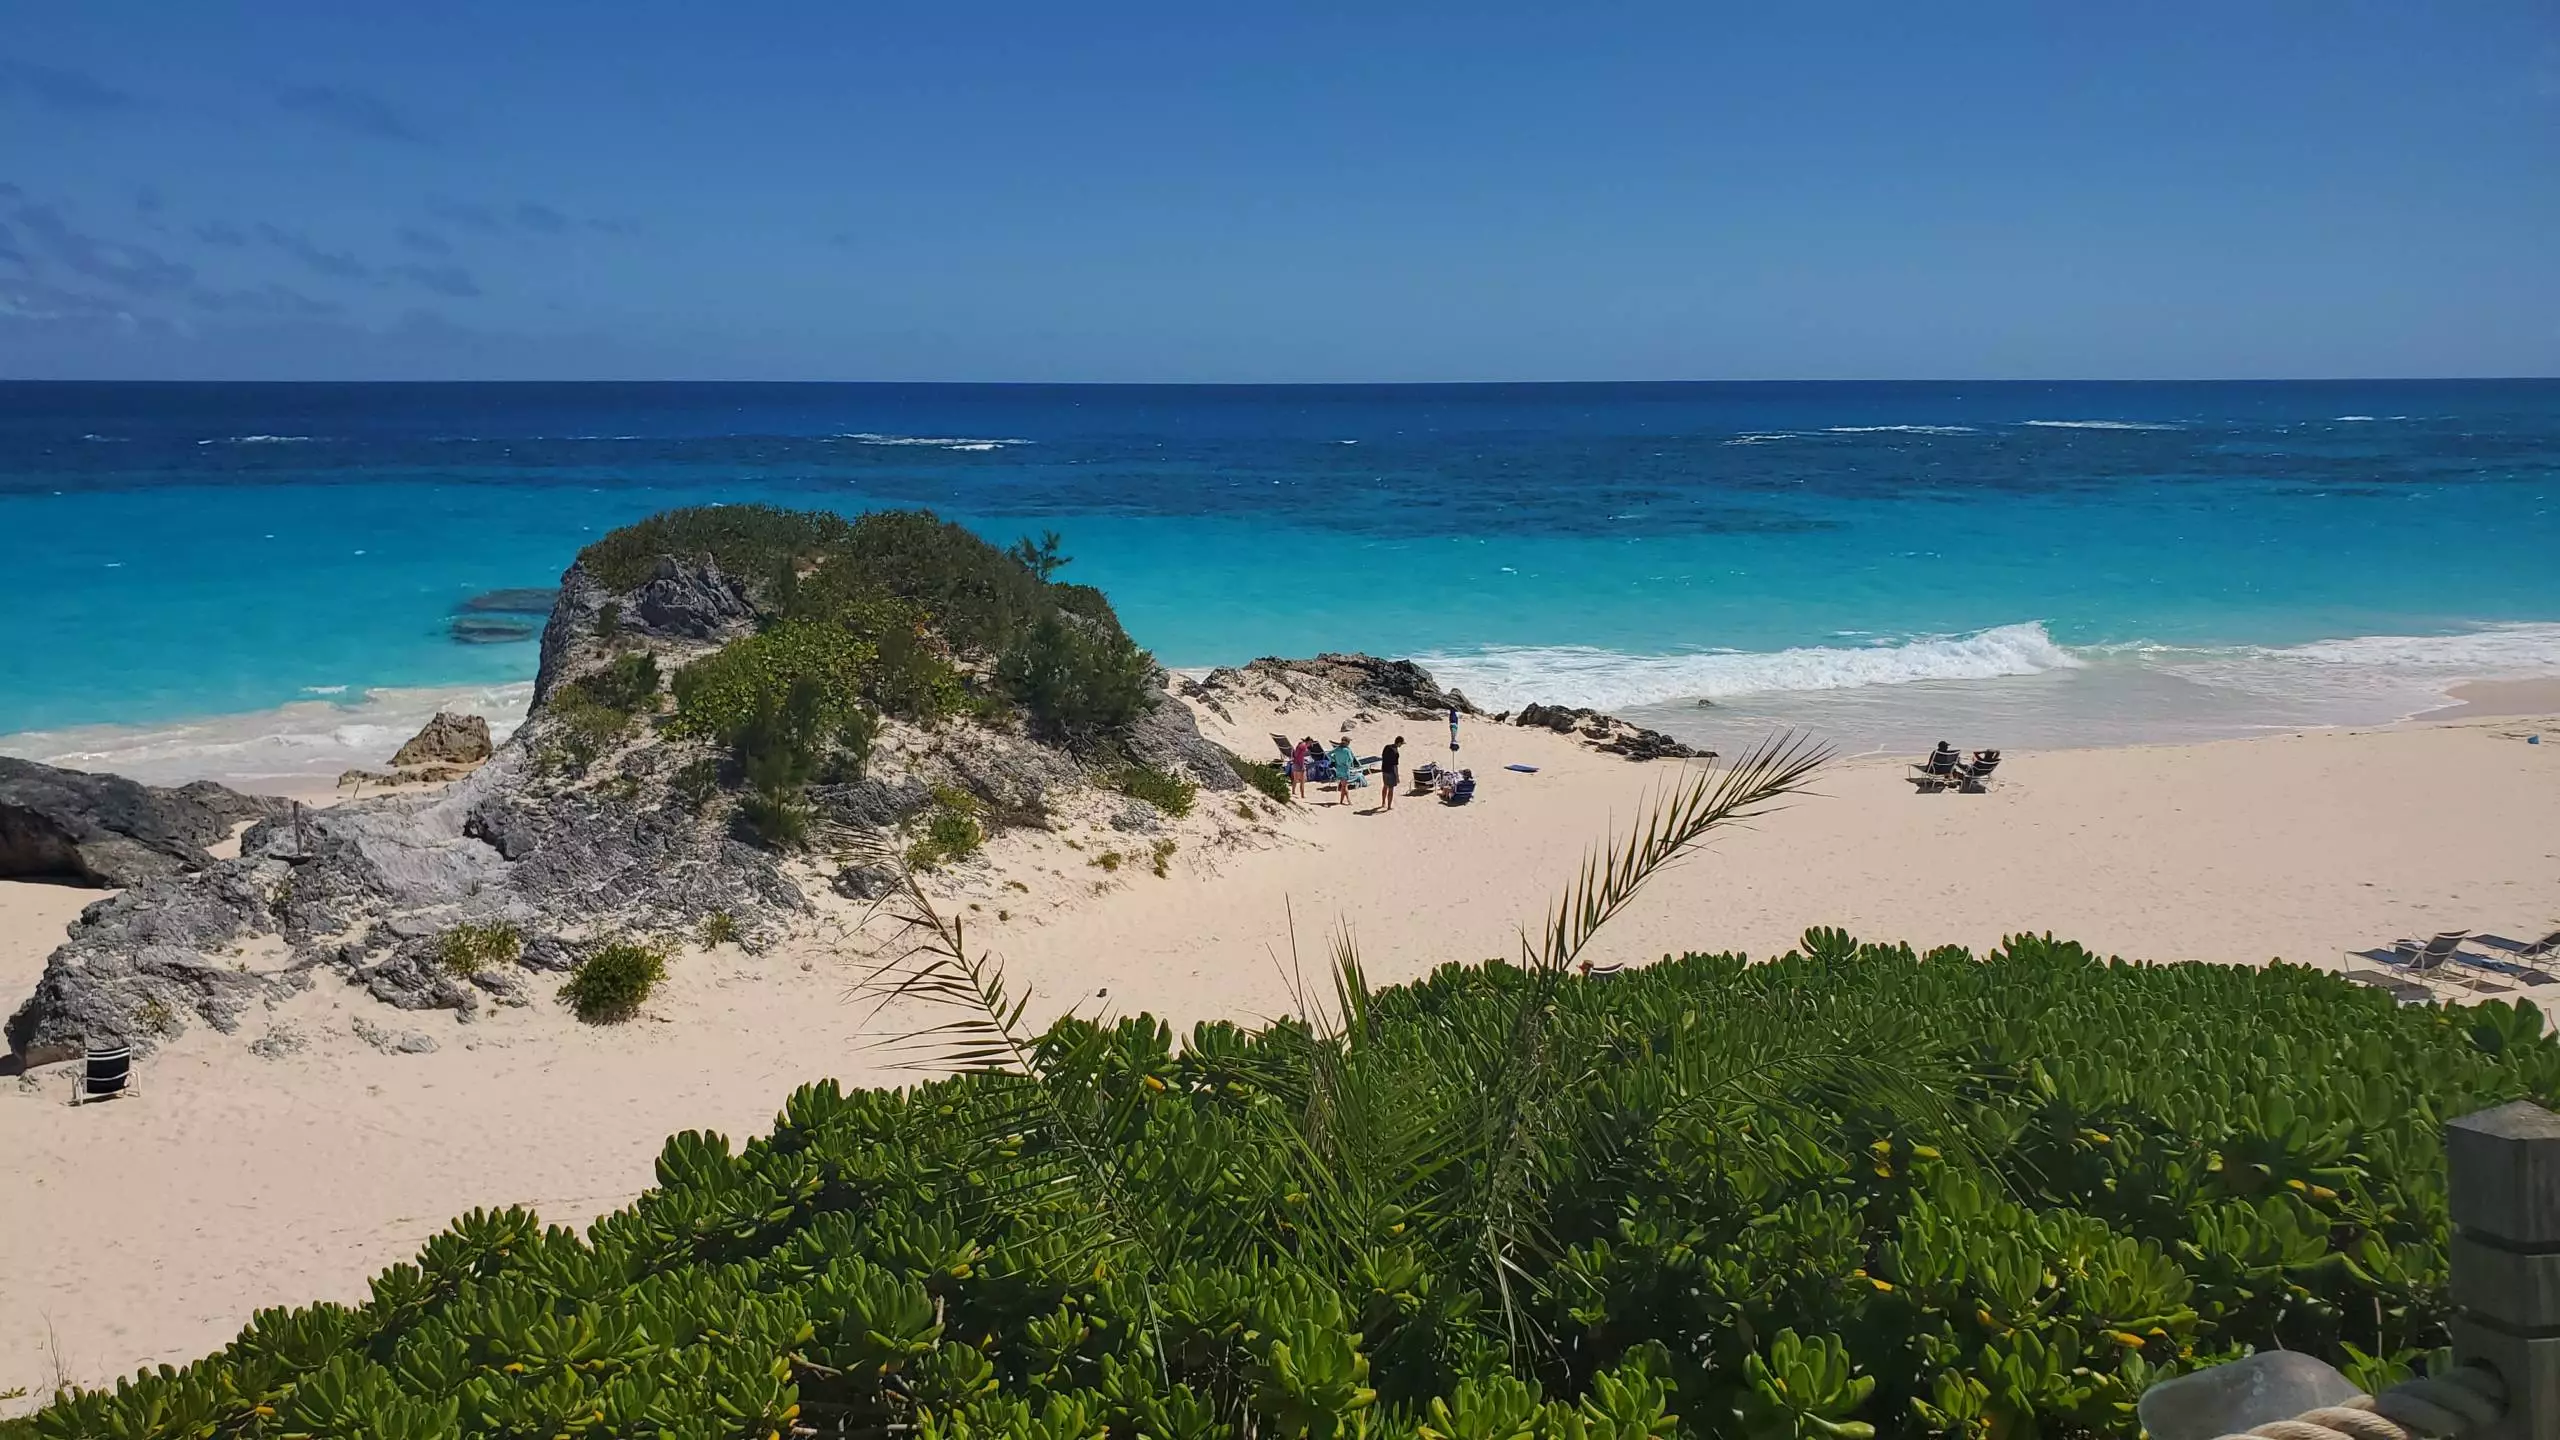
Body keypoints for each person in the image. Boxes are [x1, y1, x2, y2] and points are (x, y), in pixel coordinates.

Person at [1328, 736, 1359, 806]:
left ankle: (1341, 801)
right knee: (1344, 786)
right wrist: (1348, 764)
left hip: (1338, 769)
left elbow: (1328, 754)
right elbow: (1351, 760)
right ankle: (1348, 800)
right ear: (1347, 743)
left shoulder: (1337, 749)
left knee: (1343, 786)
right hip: (1345, 769)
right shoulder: (1347, 750)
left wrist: (1334, 759)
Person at [1377, 735, 1404, 811]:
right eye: (1401, 744)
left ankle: (1383, 803)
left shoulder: (1386, 747)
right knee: (1391, 789)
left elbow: (1383, 757)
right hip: (1391, 771)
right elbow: (1395, 766)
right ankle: (1389, 806)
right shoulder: (1396, 752)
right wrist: (1397, 777)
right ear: (1399, 743)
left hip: (1384, 769)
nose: (1401, 745)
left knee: (1385, 786)